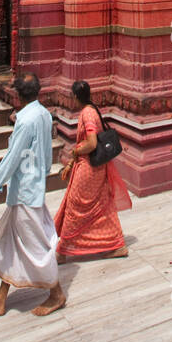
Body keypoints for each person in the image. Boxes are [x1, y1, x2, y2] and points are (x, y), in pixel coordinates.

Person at [0, 73, 65, 318]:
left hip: (26, 192)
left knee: (34, 245)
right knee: (10, 242)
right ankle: (0, 299)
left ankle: (56, 293)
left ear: (17, 94)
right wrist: (43, 174)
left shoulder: (25, 122)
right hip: (30, 187)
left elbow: (12, 158)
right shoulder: (44, 115)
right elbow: (46, 154)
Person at [54, 80, 131, 262]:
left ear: (74, 97)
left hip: (89, 169)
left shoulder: (87, 114)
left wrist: (75, 151)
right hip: (93, 167)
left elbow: (91, 143)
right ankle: (116, 244)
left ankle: (63, 250)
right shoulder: (91, 109)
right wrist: (71, 164)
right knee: (101, 206)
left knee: (75, 206)